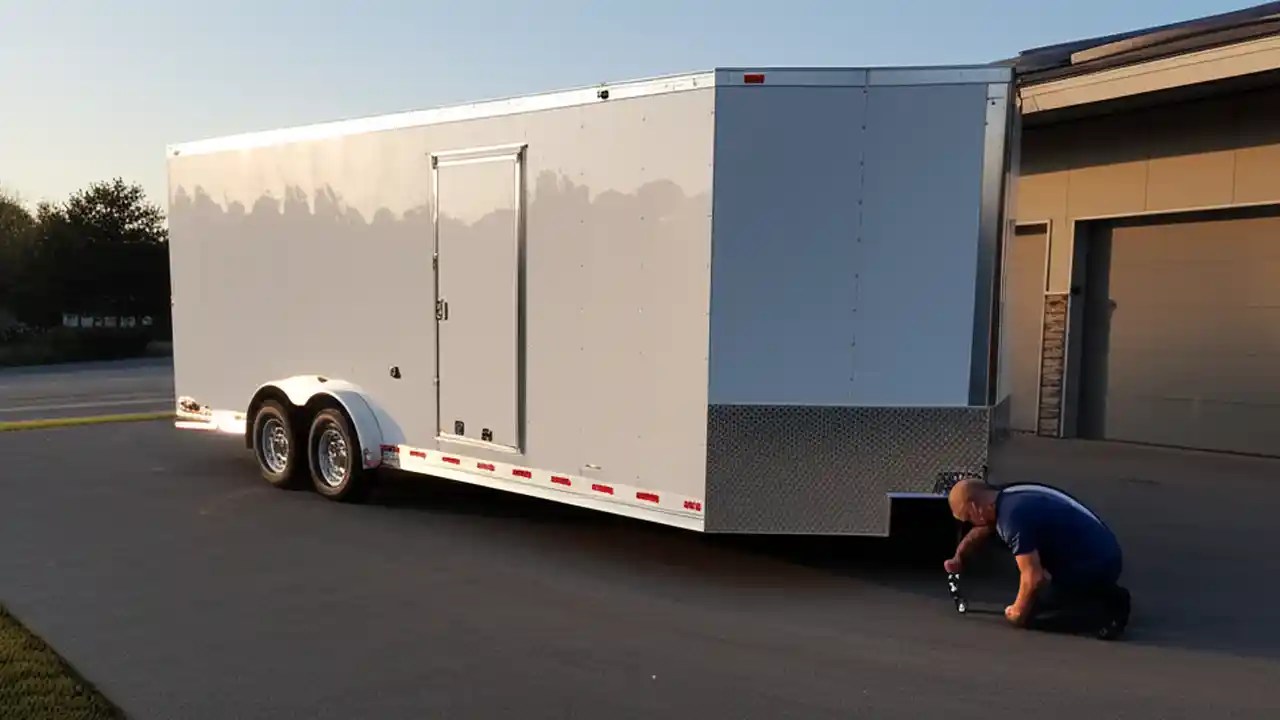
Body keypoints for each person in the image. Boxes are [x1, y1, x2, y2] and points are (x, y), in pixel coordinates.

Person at [944, 478, 1131, 640]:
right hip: (1101, 549)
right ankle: (1090, 590)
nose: (971, 524)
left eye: (968, 518)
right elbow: (983, 529)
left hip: (1097, 564)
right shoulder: (1009, 497)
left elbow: (1033, 578)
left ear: (974, 507)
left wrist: (1018, 612)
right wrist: (959, 557)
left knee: (1032, 616)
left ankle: (1109, 606)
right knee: (1003, 540)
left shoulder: (1012, 519)